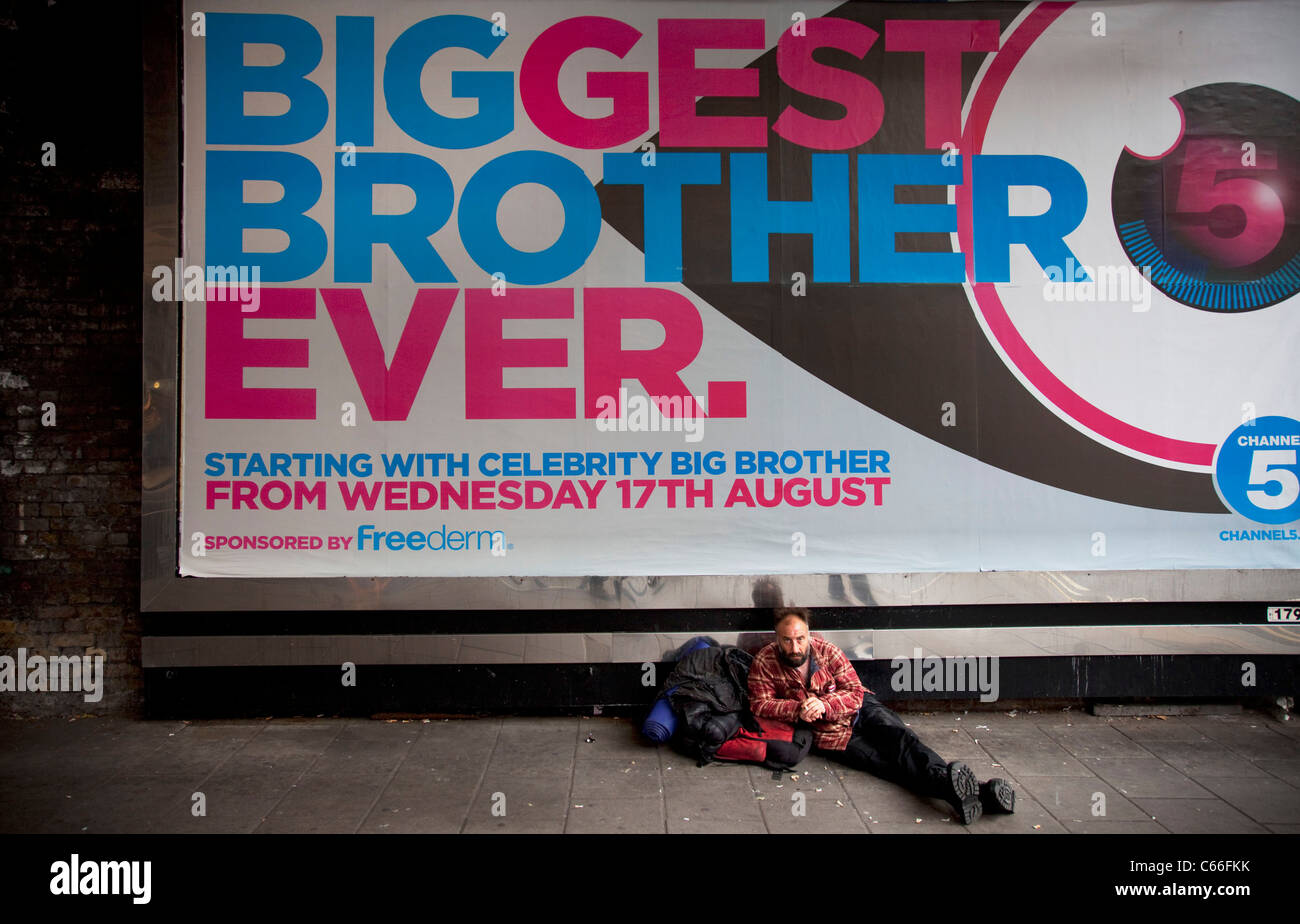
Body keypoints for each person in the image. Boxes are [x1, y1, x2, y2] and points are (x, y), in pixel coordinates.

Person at [747, 605, 1015, 825]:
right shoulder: (765, 661)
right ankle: (980, 792)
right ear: (777, 638)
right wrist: (798, 708)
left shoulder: (827, 651)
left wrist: (824, 704)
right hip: (835, 737)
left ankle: (959, 791)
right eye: (787, 640)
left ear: (809, 634)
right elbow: (759, 704)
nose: (795, 647)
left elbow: (853, 691)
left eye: (800, 638)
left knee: (904, 743)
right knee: (892, 767)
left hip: (863, 710)